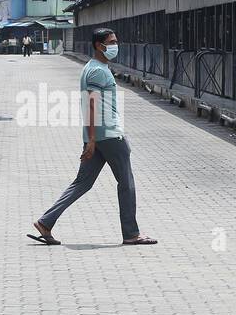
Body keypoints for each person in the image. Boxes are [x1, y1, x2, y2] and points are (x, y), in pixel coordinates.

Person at [28, 27, 157, 247]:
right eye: (111, 42)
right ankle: (131, 234)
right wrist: (92, 141)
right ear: (99, 45)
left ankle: (46, 222)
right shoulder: (98, 71)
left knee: (82, 183)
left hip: (97, 136)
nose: (115, 45)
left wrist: (90, 140)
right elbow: (92, 105)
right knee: (126, 183)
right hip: (108, 135)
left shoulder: (93, 67)